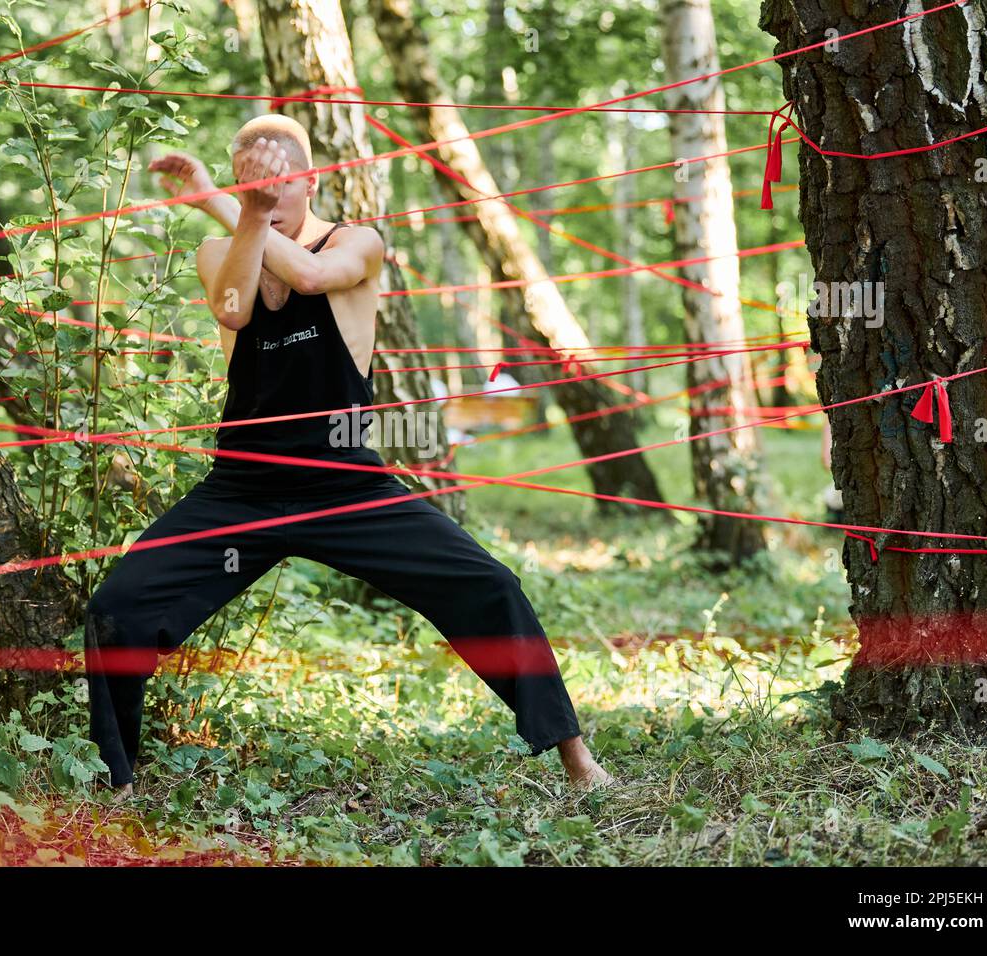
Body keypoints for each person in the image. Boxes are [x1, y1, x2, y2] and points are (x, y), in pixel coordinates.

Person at [85, 114, 613, 801]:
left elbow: (306, 277)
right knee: (116, 610)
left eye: (276, 179)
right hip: (241, 489)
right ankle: (118, 781)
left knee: (490, 587)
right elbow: (236, 309)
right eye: (253, 179)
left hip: (345, 486)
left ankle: (576, 758)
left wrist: (225, 196)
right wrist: (240, 209)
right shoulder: (223, 250)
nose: (266, 192)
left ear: (311, 178)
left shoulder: (356, 242)